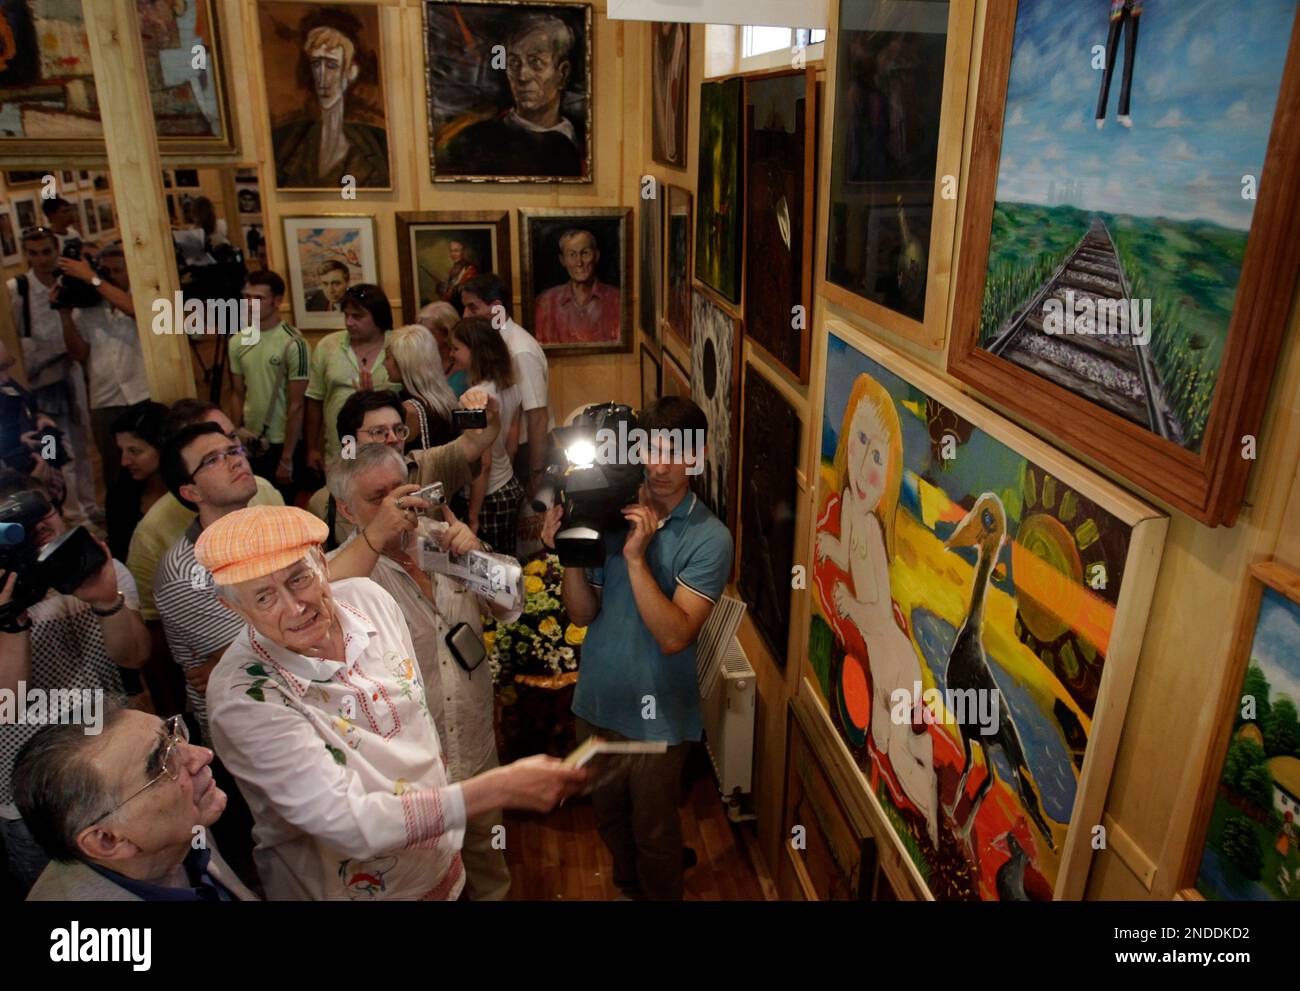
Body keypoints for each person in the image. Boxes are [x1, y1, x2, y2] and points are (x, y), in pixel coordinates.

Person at [200, 505, 586, 900]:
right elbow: (350, 823)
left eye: (299, 578)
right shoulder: (244, 697)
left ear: (321, 561)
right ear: (233, 607)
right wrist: (497, 789)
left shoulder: (368, 600)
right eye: (264, 597)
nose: (295, 606)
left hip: (437, 864)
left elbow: (415, 720)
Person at [544, 397, 733, 900]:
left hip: (659, 719)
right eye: (651, 448)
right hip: (597, 702)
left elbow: (674, 636)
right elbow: (583, 614)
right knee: (608, 820)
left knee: (655, 834)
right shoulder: (612, 510)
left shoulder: (711, 538)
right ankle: (629, 890)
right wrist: (571, 553)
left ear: (699, 456)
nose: (661, 464)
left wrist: (635, 558)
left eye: (676, 451)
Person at [326, 444, 515, 899]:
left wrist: (475, 562)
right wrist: (374, 538)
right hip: (404, 778)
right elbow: (319, 603)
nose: (398, 507)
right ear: (346, 509)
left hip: (472, 746)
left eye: (401, 490)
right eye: (378, 498)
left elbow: (512, 603)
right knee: (428, 882)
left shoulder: (442, 537)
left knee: (490, 866)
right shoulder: (343, 570)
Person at [0, 476, 150, 895]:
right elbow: (5, 702)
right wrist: (9, 618)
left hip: (118, 767)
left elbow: (135, 656)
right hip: (31, 796)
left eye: (42, 508)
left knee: (159, 879)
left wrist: (106, 600)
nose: (39, 523)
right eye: (17, 519)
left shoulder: (101, 569)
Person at [15, 707, 257, 901]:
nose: (202, 755)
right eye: (163, 763)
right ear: (107, 840)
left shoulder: (181, 832)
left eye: (172, 734)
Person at [126, 400, 284, 627]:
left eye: (232, 445)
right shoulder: (171, 559)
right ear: (190, 491)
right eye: (212, 458)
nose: (237, 460)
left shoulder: (266, 491)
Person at [307, 388, 502, 549]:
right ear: (349, 443)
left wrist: (489, 412)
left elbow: (478, 440)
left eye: (398, 429)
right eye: (379, 432)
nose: (393, 438)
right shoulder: (325, 502)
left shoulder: (427, 465)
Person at [7, 227, 95, 527]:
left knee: (82, 444)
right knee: (57, 449)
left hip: (71, 375)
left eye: (46, 251)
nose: (42, 259)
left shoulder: (68, 281)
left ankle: (89, 505)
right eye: (33, 253)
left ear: (56, 248)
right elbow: (17, 340)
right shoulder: (17, 289)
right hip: (40, 385)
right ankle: (72, 514)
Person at [442, 14, 587, 178]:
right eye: (514, 63)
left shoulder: (585, 138)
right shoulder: (478, 142)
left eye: (535, 62)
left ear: (562, 73)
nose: (522, 76)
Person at [59, 242, 149, 491]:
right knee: (114, 470)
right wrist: (64, 314)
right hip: (104, 399)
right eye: (105, 271)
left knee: (152, 467)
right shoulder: (86, 308)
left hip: (142, 393)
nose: (111, 276)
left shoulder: (142, 298)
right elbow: (79, 353)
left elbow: (136, 312)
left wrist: (94, 280)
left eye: (117, 270)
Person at [272, 19, 390, 188]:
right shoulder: (288, 142)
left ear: (350, 72)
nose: (322, 78)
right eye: (316, 64)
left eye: (331, 65)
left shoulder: (377, 146)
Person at [460, 274, 551, 494]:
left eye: (472, 308)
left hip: (526, 451)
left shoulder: (519, 351)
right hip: (509, 450)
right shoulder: (497, 344)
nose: (465, 315)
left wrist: (536, 473)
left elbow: (537, 415)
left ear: (497, 308)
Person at [229, 270, 310, 497]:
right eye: (247, 297)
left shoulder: (294, 343)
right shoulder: (237, 341)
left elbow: (297, 405)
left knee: (284, 505)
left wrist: (287, 457)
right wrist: (234, 436)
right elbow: (237, 393)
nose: (250, 304)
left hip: (281, 440)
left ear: (276, 301)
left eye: (258, 298)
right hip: (248, 437)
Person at [304, 283, 396, 473]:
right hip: (340, 452)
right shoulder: (328, 346)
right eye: (346, 315)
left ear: (378, 316)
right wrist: (312, 448)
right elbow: (314, 400)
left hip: (385, 453)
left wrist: (370, 400)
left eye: (357, 316)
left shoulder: (397, 345)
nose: (349, 322)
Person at [449, 317, 521, 552]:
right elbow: (513, 437)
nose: (451, 354)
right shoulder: (511, 385)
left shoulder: (476, 398)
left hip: (487, 497)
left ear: (475, 351)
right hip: (509, 485)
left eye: (456, 348)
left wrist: (472, 515)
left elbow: (484, 463)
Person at [105, 400, 169, 562]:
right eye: (121, 451)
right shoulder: (119, 496)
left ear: (162, 446)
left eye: (135, 451)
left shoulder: (193, 489)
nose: (124, 461)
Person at [534, 228, 622, 345]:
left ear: (596, 256)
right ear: (562, 260)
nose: (579, 262)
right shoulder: (546, 302)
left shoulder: (617, 300)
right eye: (572, 255)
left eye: (585, 253)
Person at [384, 323, 458, 452]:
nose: (384, 364)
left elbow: (393, 456)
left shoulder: (410, 411)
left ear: (403, 364)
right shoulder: (444, 396)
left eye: (387, 358)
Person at [1096, 0, 1143, 129]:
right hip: (1117, 6)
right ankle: (1100, 114)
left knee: (1129, 59)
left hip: (1134, 6)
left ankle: (1123, 113)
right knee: (1109, 58)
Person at [418, 300, 467, 396]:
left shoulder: (465, 365)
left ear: (447, 333)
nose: (422, 338)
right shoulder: (421, 362)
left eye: (428, 332)